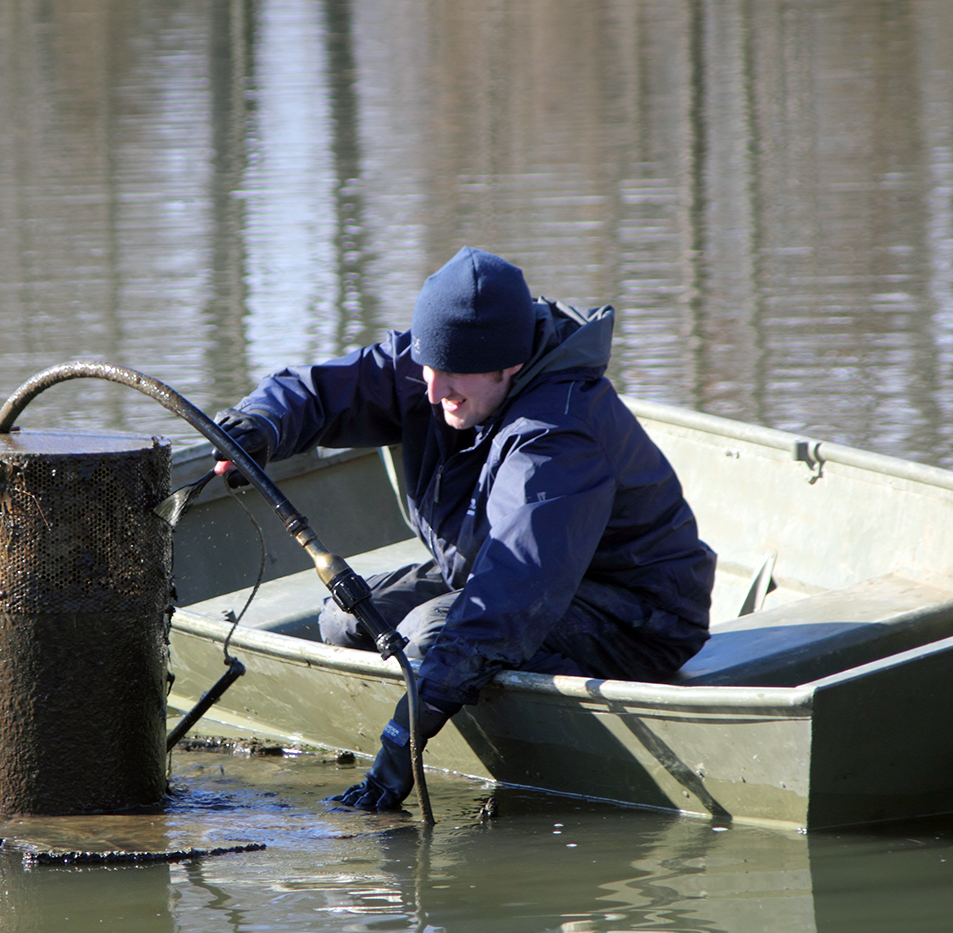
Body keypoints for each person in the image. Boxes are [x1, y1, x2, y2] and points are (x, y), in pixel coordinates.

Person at [212, 247, 716, 811]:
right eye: (428, 369)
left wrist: (402, 742)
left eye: (452, 377)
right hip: (499, 570)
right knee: (345, 616)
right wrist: (259, 425)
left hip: (636, 615)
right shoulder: (443, 369)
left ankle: (556, 743)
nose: (432, 392)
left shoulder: (557, 437)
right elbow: (327, 390)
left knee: (434, 634)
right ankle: (460, 692)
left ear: (511, 365)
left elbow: (506, 599)